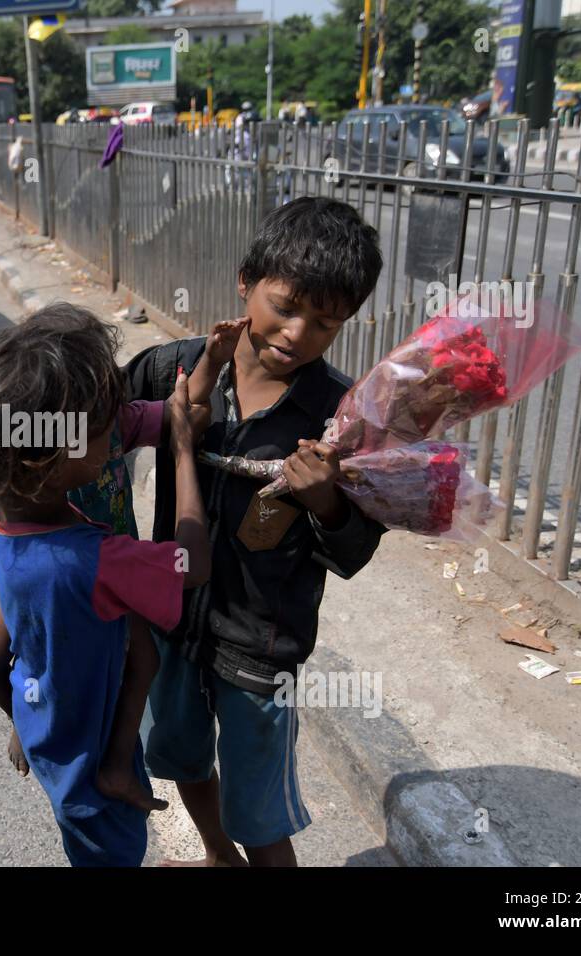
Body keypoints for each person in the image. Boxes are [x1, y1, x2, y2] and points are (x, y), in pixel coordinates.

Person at [0, 304, 241, 866]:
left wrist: (208, 367)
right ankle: (115, 764)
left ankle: (30, 720)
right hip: (85, 773)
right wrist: (186, 455)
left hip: (39, 679)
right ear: (50, 460)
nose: (114, 425)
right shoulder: (95, 561)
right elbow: (193, 563)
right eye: (101, 426)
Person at [126, 197, 388, 866]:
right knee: (182, 756)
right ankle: (217, 856)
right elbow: (96, 432)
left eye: (326, 323)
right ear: (246, 280)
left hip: (262, 649)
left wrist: (326, 499)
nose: (299, 333)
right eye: (287, 305)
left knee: (262, 819)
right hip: (174, 623)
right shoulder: (175, 371)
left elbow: (356, 550)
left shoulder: (343, 418)